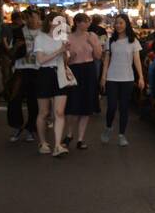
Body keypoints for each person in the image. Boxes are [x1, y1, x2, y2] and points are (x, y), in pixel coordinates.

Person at [100, 13, 143, 146]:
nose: (118, 25)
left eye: (121, 23)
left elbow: (137, 60)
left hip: (127, 78)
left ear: (126, 24)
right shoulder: (111, 41)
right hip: (112, 78)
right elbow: (106, 59)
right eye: (116, 23)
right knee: (111, 106)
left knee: (124, 108)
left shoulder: (133, 41)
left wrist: (141, 76)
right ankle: (108, 127)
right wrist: (103, 76)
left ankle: (122, 135)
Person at [62, 14, 103, 150]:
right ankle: (69, 134)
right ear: (78, 23)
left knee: (86, 106)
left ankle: (80, 139)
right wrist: (70, 57)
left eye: (88, 21)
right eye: (85, 22)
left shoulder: (92, 36)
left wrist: (92, 44)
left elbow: (98, 56)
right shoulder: (68, 38)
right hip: (75, 70)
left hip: (89, 69)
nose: (87, 24)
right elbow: (64, 60)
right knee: (73, 105)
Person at [34, 14, 72, 157]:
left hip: (60, 74)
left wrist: (67, 53)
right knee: (44, 112)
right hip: (44, 74)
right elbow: (41, 60)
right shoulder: (40, 38)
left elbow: (66, 59)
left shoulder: (63, 38)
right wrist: (59, 51)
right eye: (57, 21)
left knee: (59, 112)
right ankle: (43, 142)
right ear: (49, 22)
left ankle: (57, 145)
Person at [7, 9, 40, 143]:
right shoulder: (18, 32)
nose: (30, 20)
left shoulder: (43, 33)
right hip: (21, 69)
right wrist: (16, 47)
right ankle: (17, 125)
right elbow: (11, 51)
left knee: (34, 101)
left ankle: (31, 129)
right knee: (14, 99)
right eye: (26, 18)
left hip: (38, 70)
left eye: (32, 17)